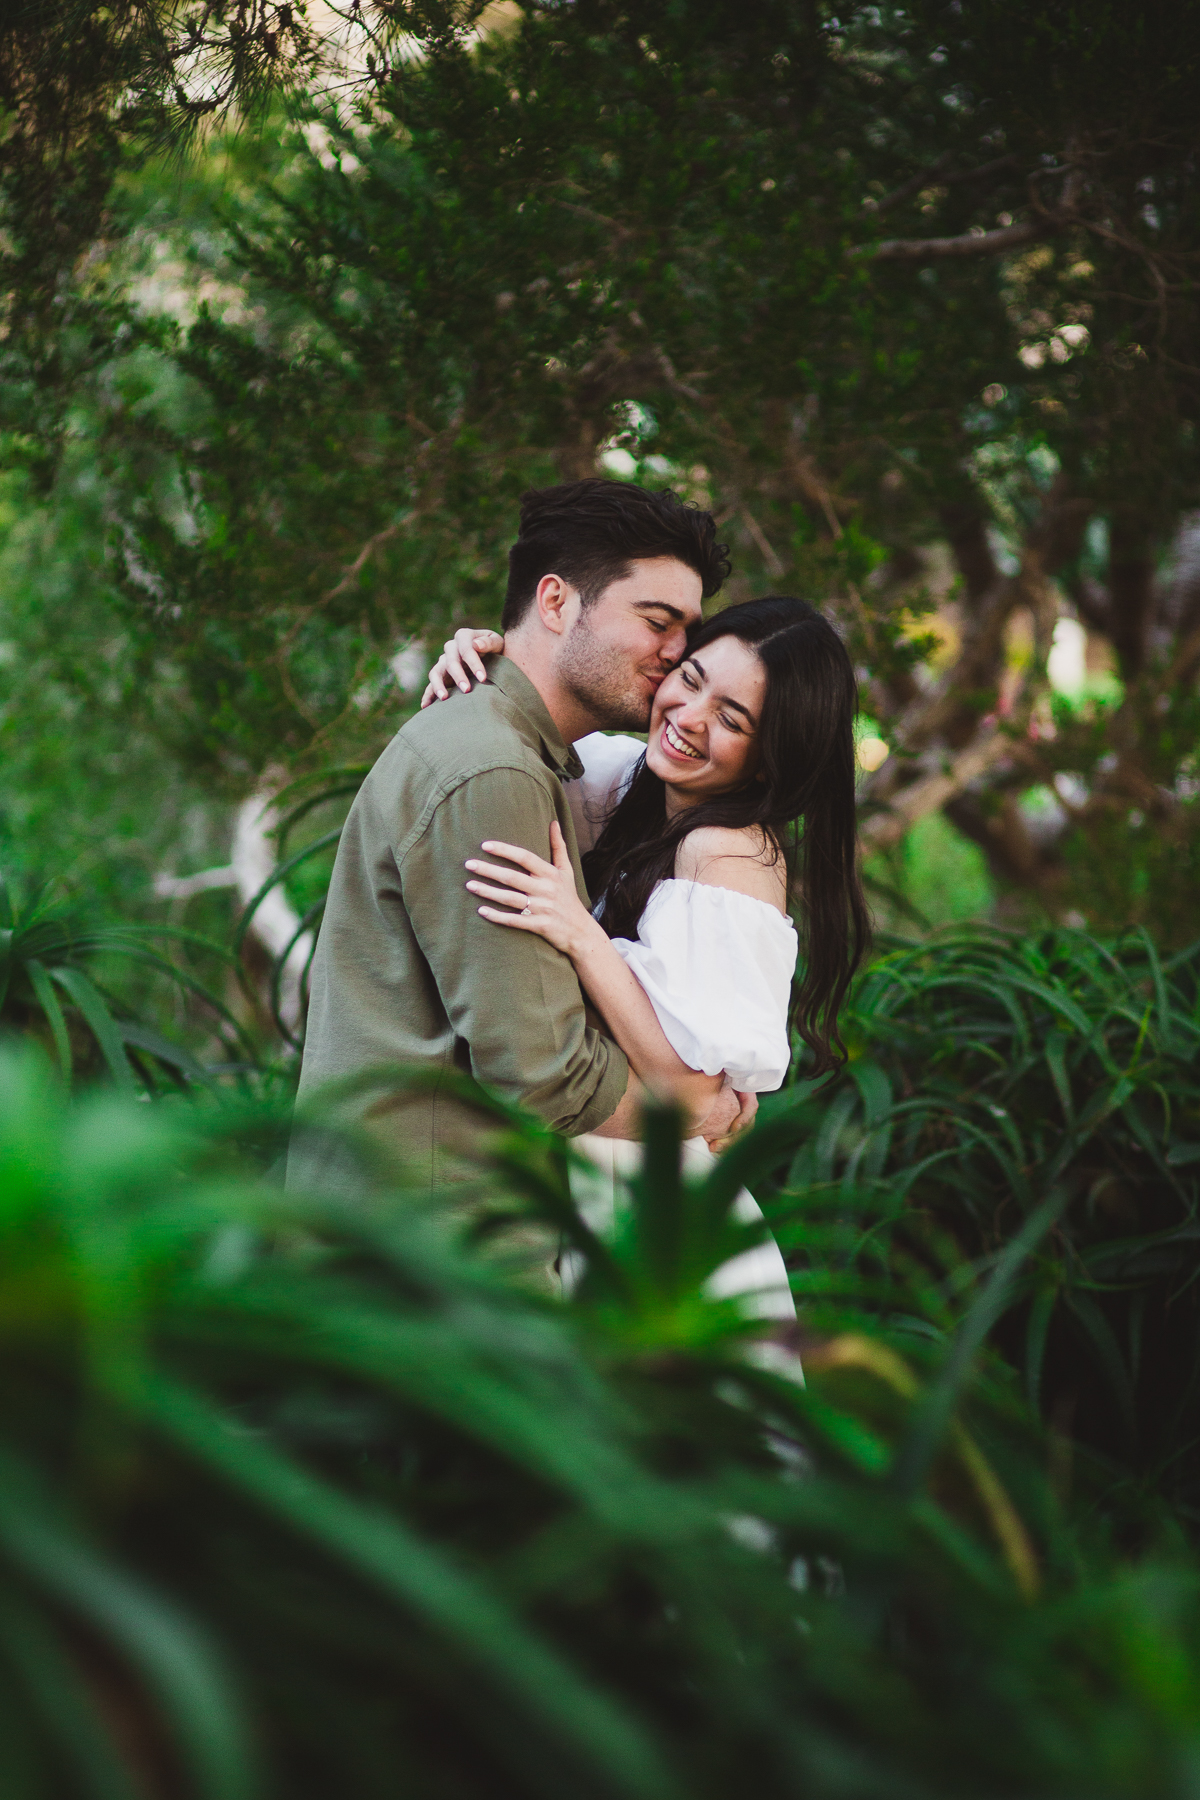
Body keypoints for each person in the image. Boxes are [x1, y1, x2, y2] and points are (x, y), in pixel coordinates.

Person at [290, 479, 750, 1197]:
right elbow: (546, 1076)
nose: (676, 652)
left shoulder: (524, 752)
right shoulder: (494, 768)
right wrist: (703, 1107)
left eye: (688, 630)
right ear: (557, 601)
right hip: (439, 1249)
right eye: (657, 619)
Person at [422, 594, 871, 1316]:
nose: (690, 718)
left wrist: (578, 929)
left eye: (733, 719)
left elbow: (688, 1089)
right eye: (691, 680)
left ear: (769, 760)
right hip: (597, 1187)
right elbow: (524, 727)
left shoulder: (729, 853)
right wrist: (478, 656)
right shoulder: (631, 784)